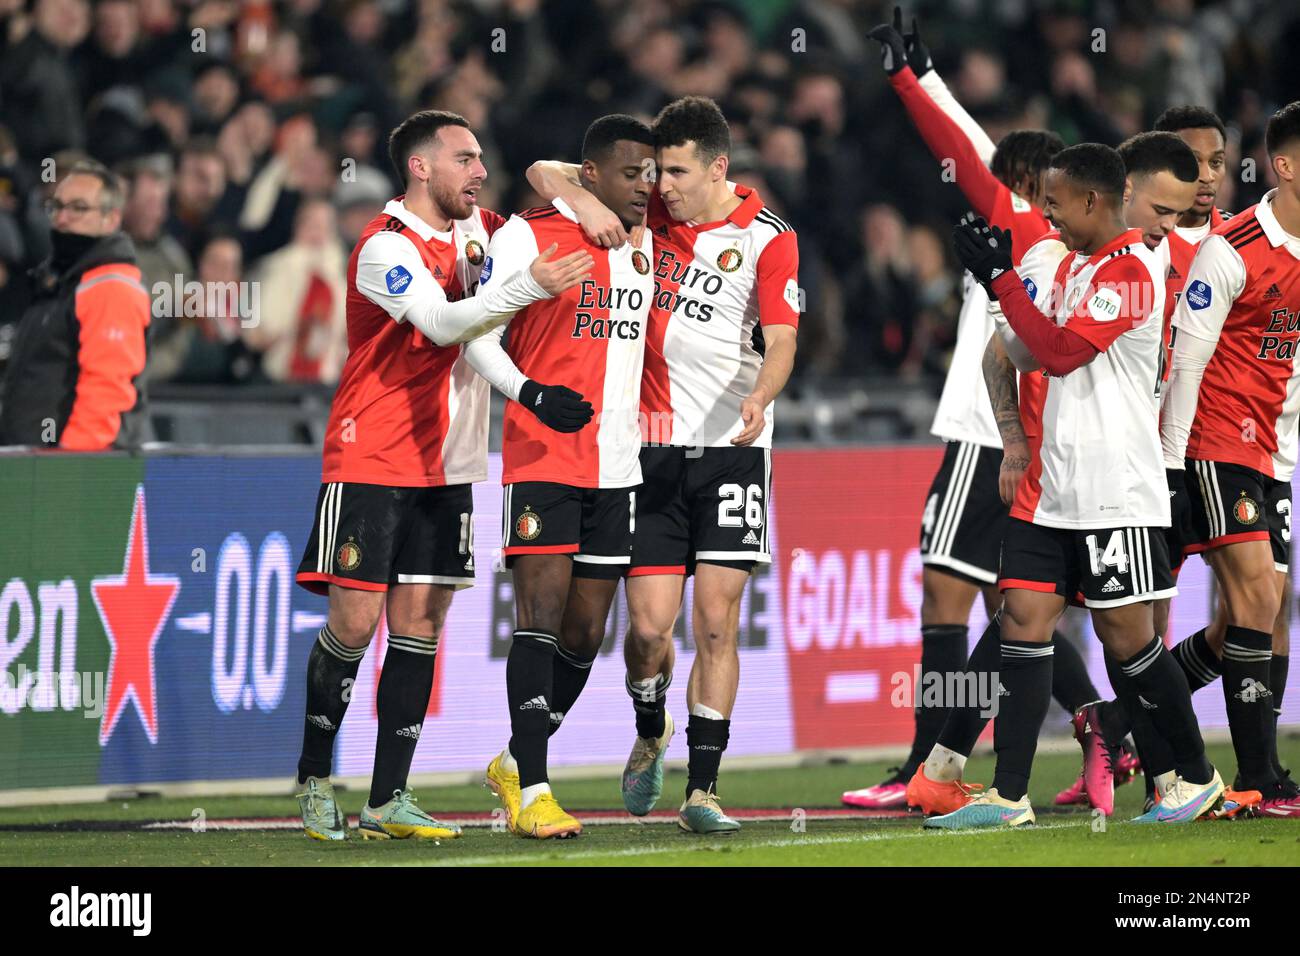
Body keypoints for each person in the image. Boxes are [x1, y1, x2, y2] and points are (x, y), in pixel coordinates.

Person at [289, 109, 592, 841]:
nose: (480, 171)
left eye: (481, 158)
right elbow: (443, 324)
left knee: (420, 625)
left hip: (450, 460)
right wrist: (528, 287)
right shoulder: (383, 247)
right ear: (420, 167)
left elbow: (554, 181)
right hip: (372, 455)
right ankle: (314, 776)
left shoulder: (481, 231)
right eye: (464, 159)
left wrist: (565, 182)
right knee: (354, 624)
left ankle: (387, 798)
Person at [847, 9, 1108, 810]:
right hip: (1026, 440)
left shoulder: (1024, 231)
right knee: (1016, 608)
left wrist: (912, 79)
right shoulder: (1065, 250)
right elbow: (964, 141)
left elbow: (962, 147)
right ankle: (1102, 726)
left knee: (948, 599)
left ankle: (925, 764)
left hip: (984, 435)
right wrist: (920, 75)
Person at [927, 144, 1223, 828]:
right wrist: (999, 287)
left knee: (1129, 643)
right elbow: (1025, 350)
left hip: (1114, 490)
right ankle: (1009, 796)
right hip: (1053, 488)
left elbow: (1061, 355)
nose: (1050, 215)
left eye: (1057, 204)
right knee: (1022, 622)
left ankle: (1196, 778)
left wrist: (1002, 280)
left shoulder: (1134, 272)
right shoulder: (1066, 265)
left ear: (1093, 201)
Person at [527, 96, 800, 833]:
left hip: (733, 453)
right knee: (648, 633)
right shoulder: (648, 215)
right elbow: (544, 170)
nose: (662, 186)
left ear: (718, 167)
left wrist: (762, 398)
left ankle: (703, 790)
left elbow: (781, 339)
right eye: (655, 172)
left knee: (715, 621)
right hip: (649, 452)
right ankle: (651, 727)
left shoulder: (769, 237)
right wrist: (588, 202)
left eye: (676, 172)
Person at [468, 114, 655, 840]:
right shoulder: (527, 235)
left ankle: (515, 760)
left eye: (651, 174)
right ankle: (535, 792)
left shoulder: (647, 239)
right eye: (631, 174)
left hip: (618, 466)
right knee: (540, 622)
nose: (645, 187)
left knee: (584, 633)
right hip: (543, 456)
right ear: (592, 176)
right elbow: (476, 332)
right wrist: (530, 393)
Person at [1159, 101, 1300, 817]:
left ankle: (1118, 721)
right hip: (1215, 441)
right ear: (1285, 165)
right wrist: (1172, 464)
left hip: (1273, 452)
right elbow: (1187, 361)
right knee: (1255, 601)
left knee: (1263, 614)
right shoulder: (1233, 247)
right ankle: (1257, 778)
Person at [0, 160, 150, 450]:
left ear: (111, 219)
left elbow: (105, 394)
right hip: (31, 462)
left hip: (67, 468)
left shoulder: (110, 286)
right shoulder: (60, 282)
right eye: (57, 206)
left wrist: (71, 468)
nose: (63, 218)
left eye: (79, 208)